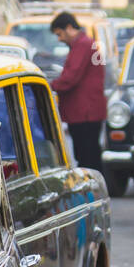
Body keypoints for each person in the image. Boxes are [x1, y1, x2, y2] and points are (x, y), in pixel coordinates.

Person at [50, 11, 106, 174]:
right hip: (90, 110)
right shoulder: (88, 43)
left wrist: (50, 85)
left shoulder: (82, 45)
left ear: (69, 28)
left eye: (59, 34)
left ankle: (92, 192)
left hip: (83, 112)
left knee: (85, 157)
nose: (59, 39)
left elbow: (70, 78)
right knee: (92, 155)